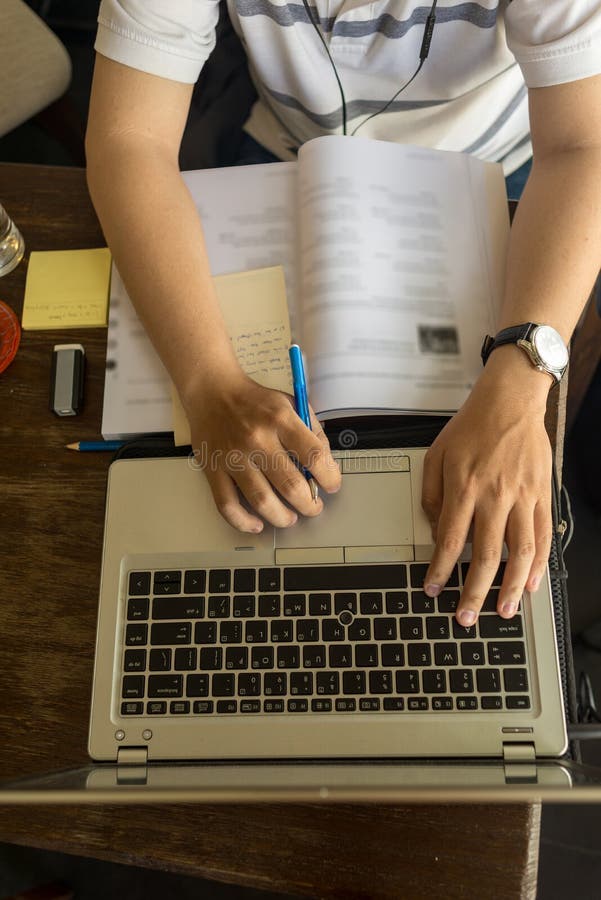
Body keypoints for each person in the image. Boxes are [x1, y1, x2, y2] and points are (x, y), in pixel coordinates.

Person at [86, 1, 601, 628]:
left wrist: (519, 386)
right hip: (287, 144)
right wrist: (207, 383)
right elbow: (128, 140)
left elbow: (582, 144)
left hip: (492, 157)